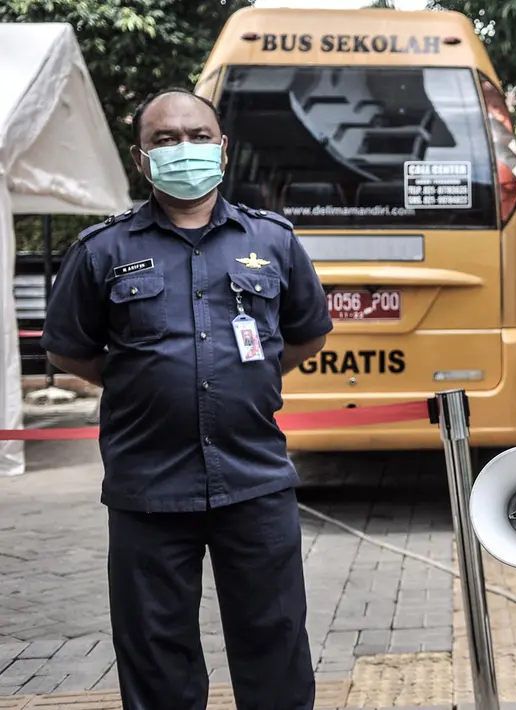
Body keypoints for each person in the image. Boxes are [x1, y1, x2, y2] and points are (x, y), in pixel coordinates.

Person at [40, 88, 332, 709]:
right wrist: (141, 379)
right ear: (142, 159)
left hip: (254, 480)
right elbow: (68, 350)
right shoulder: (102, 251)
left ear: (223, 149)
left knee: (275, 649)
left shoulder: (273, 241)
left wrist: (243, 376)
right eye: (165, 140)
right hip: (148, 486)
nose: (184, 149)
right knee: (155, 659)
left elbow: (307, 334)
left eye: (198, 137)